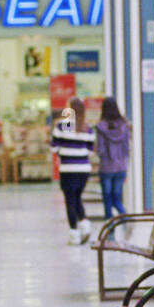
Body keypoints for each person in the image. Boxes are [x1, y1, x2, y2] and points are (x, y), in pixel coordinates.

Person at [51, 96, 96, 244]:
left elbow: (54, 148)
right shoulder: (86, 128)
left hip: (68, 168)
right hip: (83, 168)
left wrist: (65, 152)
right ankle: (85, 225)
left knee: (70, 201)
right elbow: (90, 151)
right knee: (77, 198)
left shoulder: (63, 126)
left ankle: (74, 234)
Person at [94, 97, 132, 219]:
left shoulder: (100, 127)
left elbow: (100, 149)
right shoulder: (124, 126)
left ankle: (110, 229)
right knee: (117, 197)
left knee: (107, 198)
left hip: (106, 167)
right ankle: (125, 217)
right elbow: (127, 148)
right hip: (121, 166)